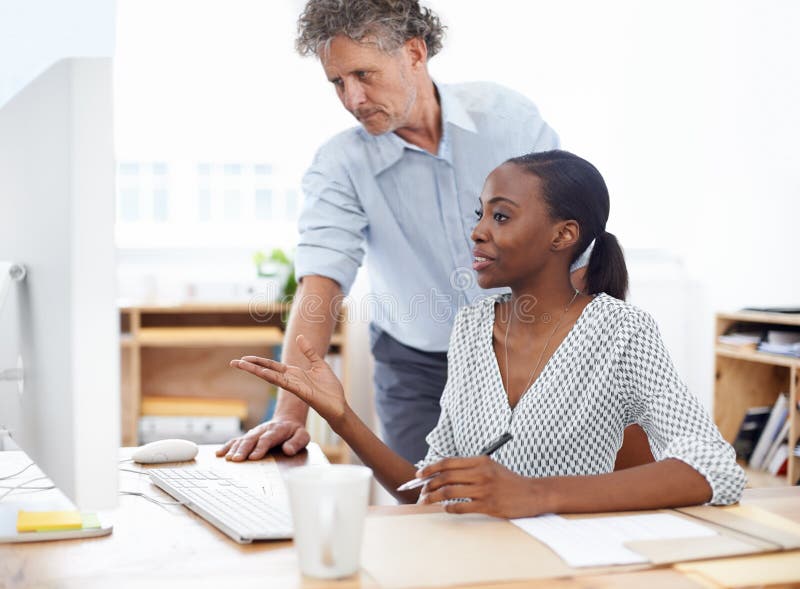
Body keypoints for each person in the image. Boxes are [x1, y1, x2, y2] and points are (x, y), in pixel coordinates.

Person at [229, 150, 745, 517]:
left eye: (501, 216)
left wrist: (537, 495)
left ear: (563, 235)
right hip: (478, 564)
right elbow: (426, 490)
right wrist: (340, 417)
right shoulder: (472, 327)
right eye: (480, 214)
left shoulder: (622, 331)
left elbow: (715, 469)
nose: (478, 230)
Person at [217, 0, 582, 465]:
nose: (352, 100)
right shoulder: (340, 165)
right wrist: (292, 413)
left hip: (532, 348)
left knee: (546, 499)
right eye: (337, 83)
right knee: (425, 507)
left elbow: (575, 244)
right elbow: (321, 283)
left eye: (364, 75)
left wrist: (582, 353)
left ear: (414, 52)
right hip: (418, 369)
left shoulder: (507, 120)